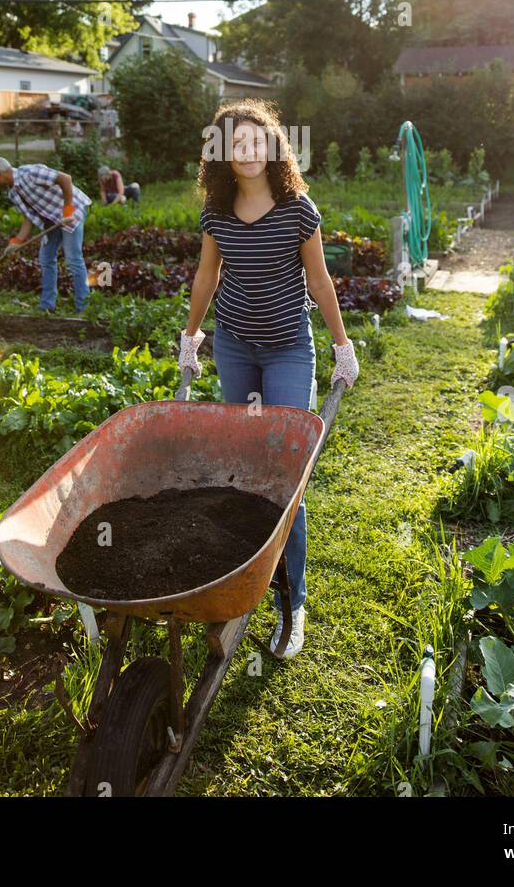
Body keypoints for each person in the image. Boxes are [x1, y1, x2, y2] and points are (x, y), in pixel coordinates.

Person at [178, 100, 359, 660]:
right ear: (221, 154)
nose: (248, 151)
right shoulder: (217, 212)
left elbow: (319, 281)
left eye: (257, 141)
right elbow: (207, 275)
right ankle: (243, 573)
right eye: (236, 143)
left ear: (274, 146)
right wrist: (191, 336)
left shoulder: (298, 210)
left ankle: (291, 601)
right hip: (235, 347)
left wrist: (342, 345)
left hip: (288, 351)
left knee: (285, 478)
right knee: (246, 468)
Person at [0, 158, 92, 313]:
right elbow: (28, 218)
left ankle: (83, 308)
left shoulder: (31, 173)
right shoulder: (13, 194)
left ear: (0, 173)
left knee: (73, 259)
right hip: (52, 219)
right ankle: (47, 305)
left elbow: (65, 179)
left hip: (71, 212)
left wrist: (68, 211)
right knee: (46, 259)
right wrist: (16, 241)